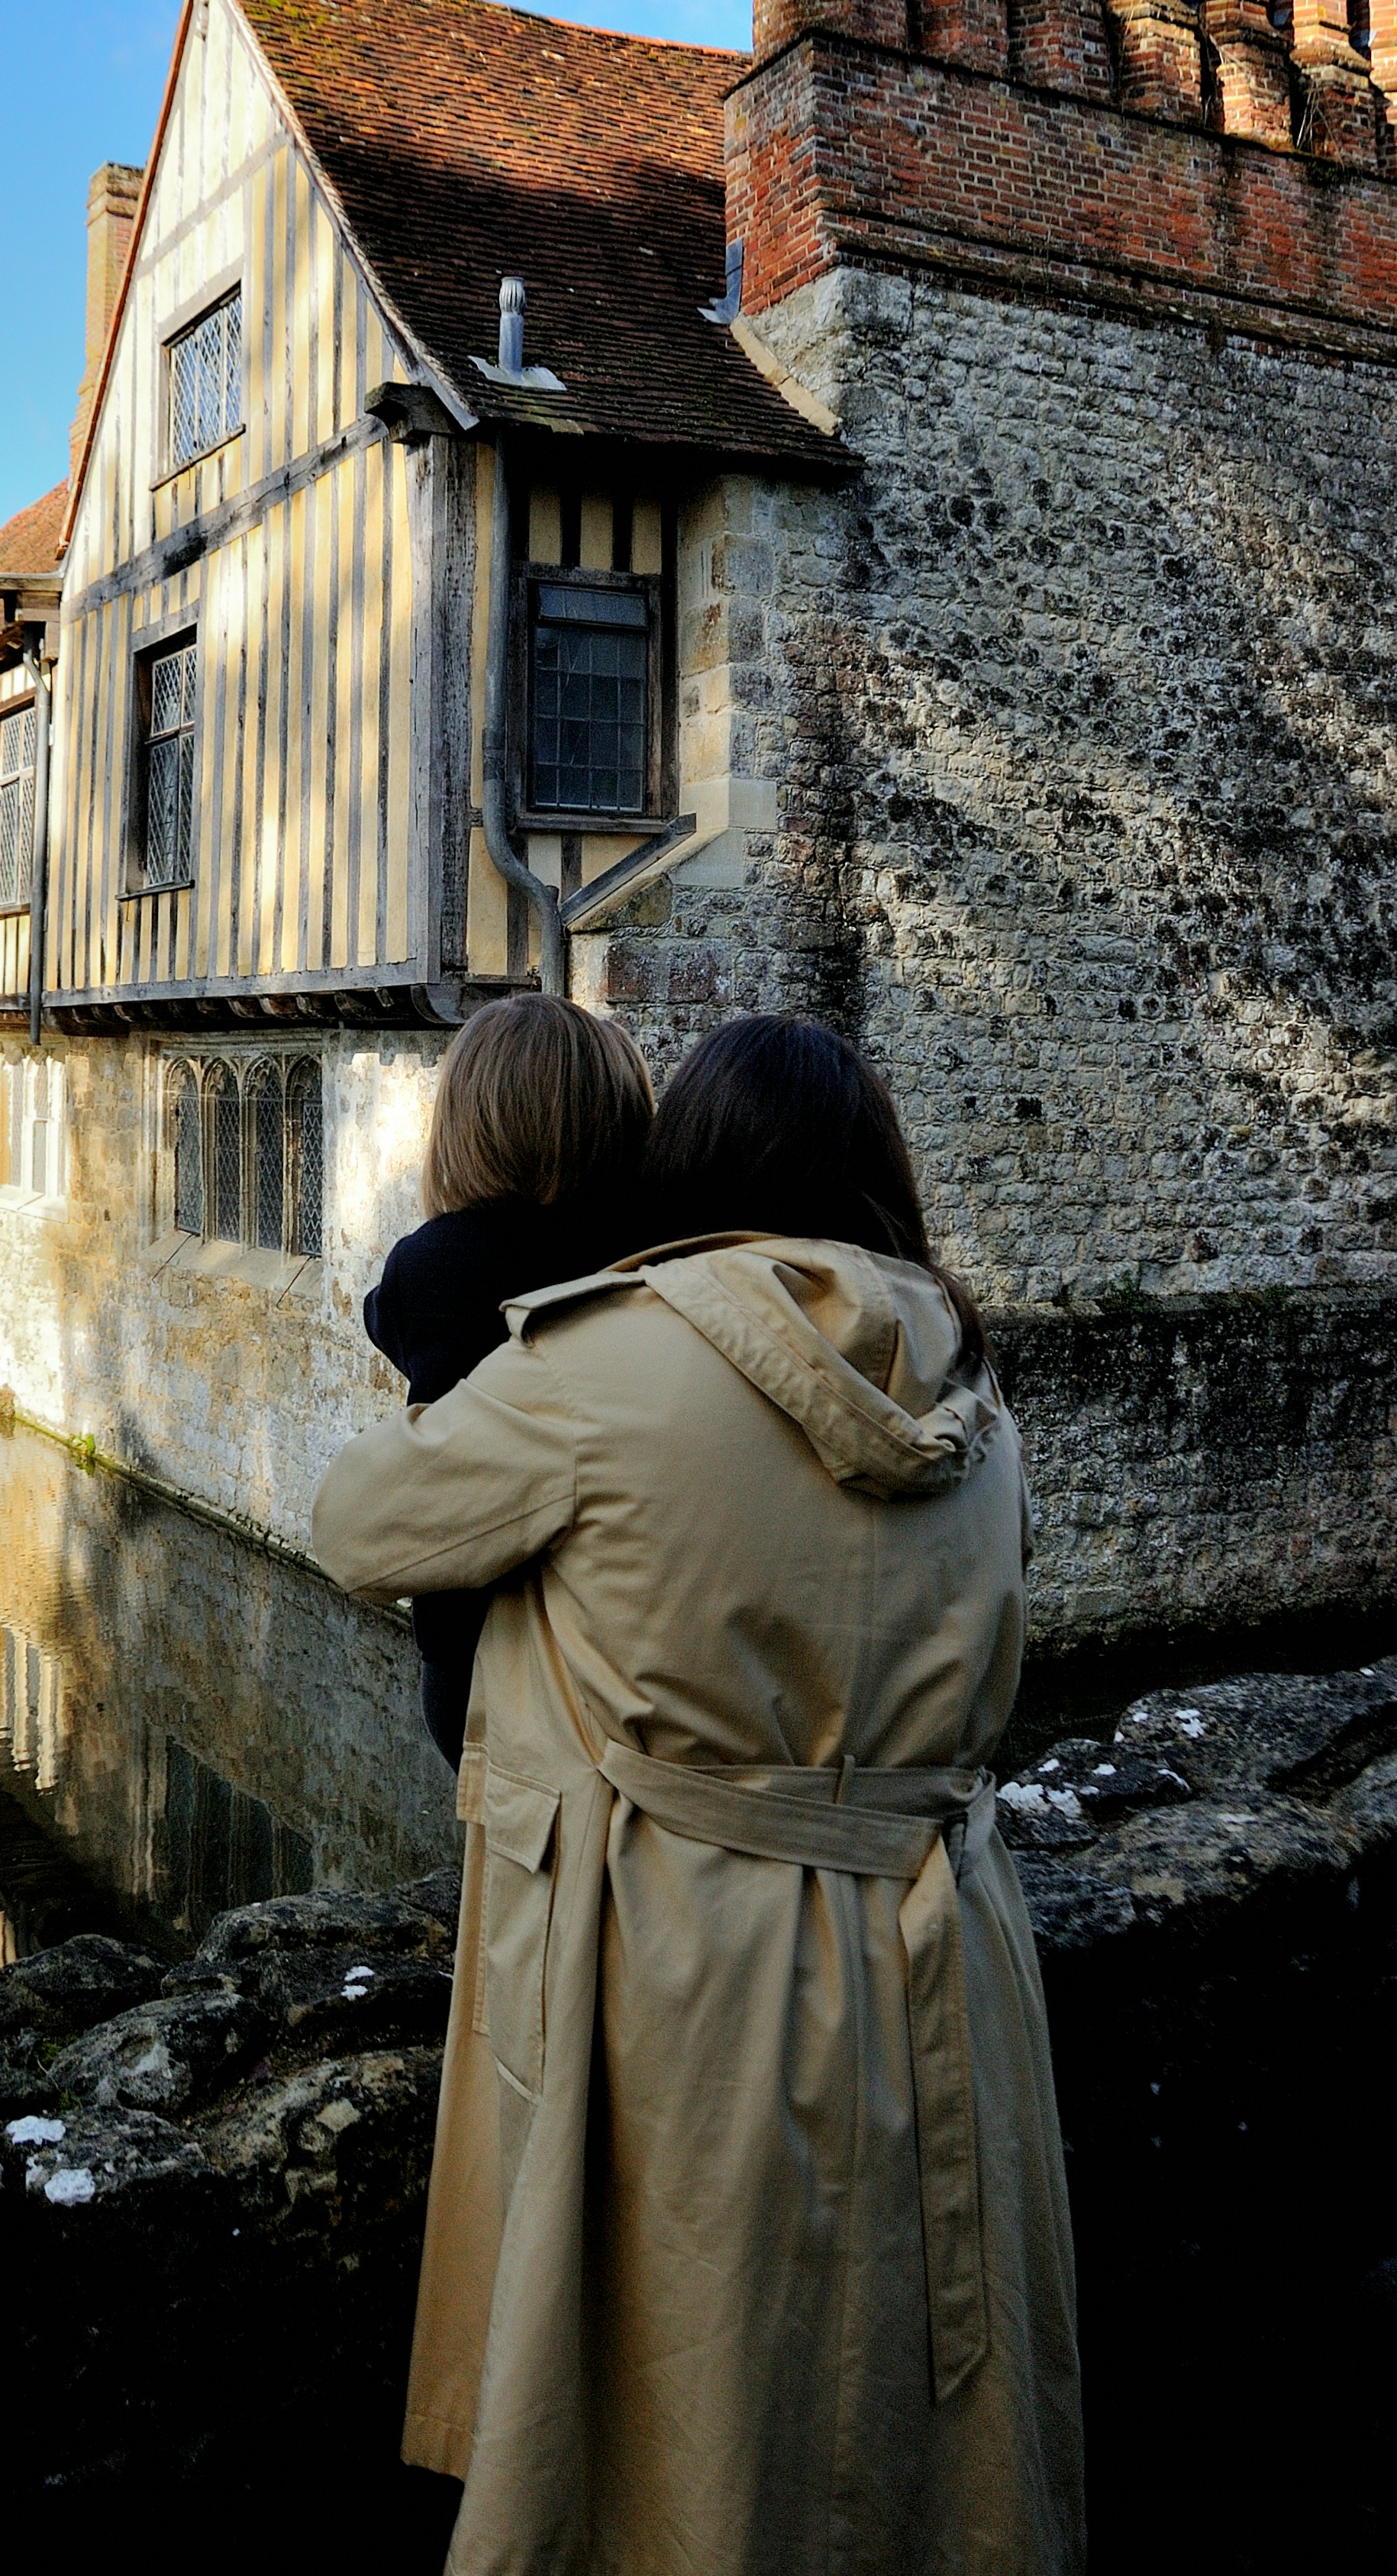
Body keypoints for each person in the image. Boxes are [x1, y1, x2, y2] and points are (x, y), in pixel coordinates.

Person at [315, 1013, 1083, 2576]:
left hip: (698, 1948)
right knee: (917, 2399)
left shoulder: (608, 1362)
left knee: (707, 2400)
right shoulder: (977, 1403)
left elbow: (361, 1526)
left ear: (691, 1167)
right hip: (948, 1946)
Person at [363, 996, 653, 1768]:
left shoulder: (440, 1262)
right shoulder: (648, 1252)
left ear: (470, 1123)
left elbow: (383, 1319)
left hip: (478, 1644)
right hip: (629, 1641)